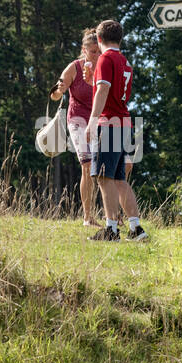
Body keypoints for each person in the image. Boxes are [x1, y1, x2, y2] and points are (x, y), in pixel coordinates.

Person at [85, 19, 147, 242]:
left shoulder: (105, 58)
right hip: (124, 123)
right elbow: (111, 90)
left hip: (108, 124)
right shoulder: (124, 61)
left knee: (103, 177)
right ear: (120, 39)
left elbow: (103, 91)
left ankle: (111, 229)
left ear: (99, 39)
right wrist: (94, 81)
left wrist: (92, 122)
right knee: (119, 179)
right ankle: (136, 228)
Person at [50, 28, 101, 226]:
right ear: (84, 50)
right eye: (93, 51)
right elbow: (55, 93)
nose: (96, 55)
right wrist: (59, 90)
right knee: (87, 165)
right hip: (78, 119)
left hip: (100, 121)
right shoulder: (74, 68)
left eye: (99, 51)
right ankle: (88, 217)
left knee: (104, 168)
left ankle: (112, 215)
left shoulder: (105, 68)